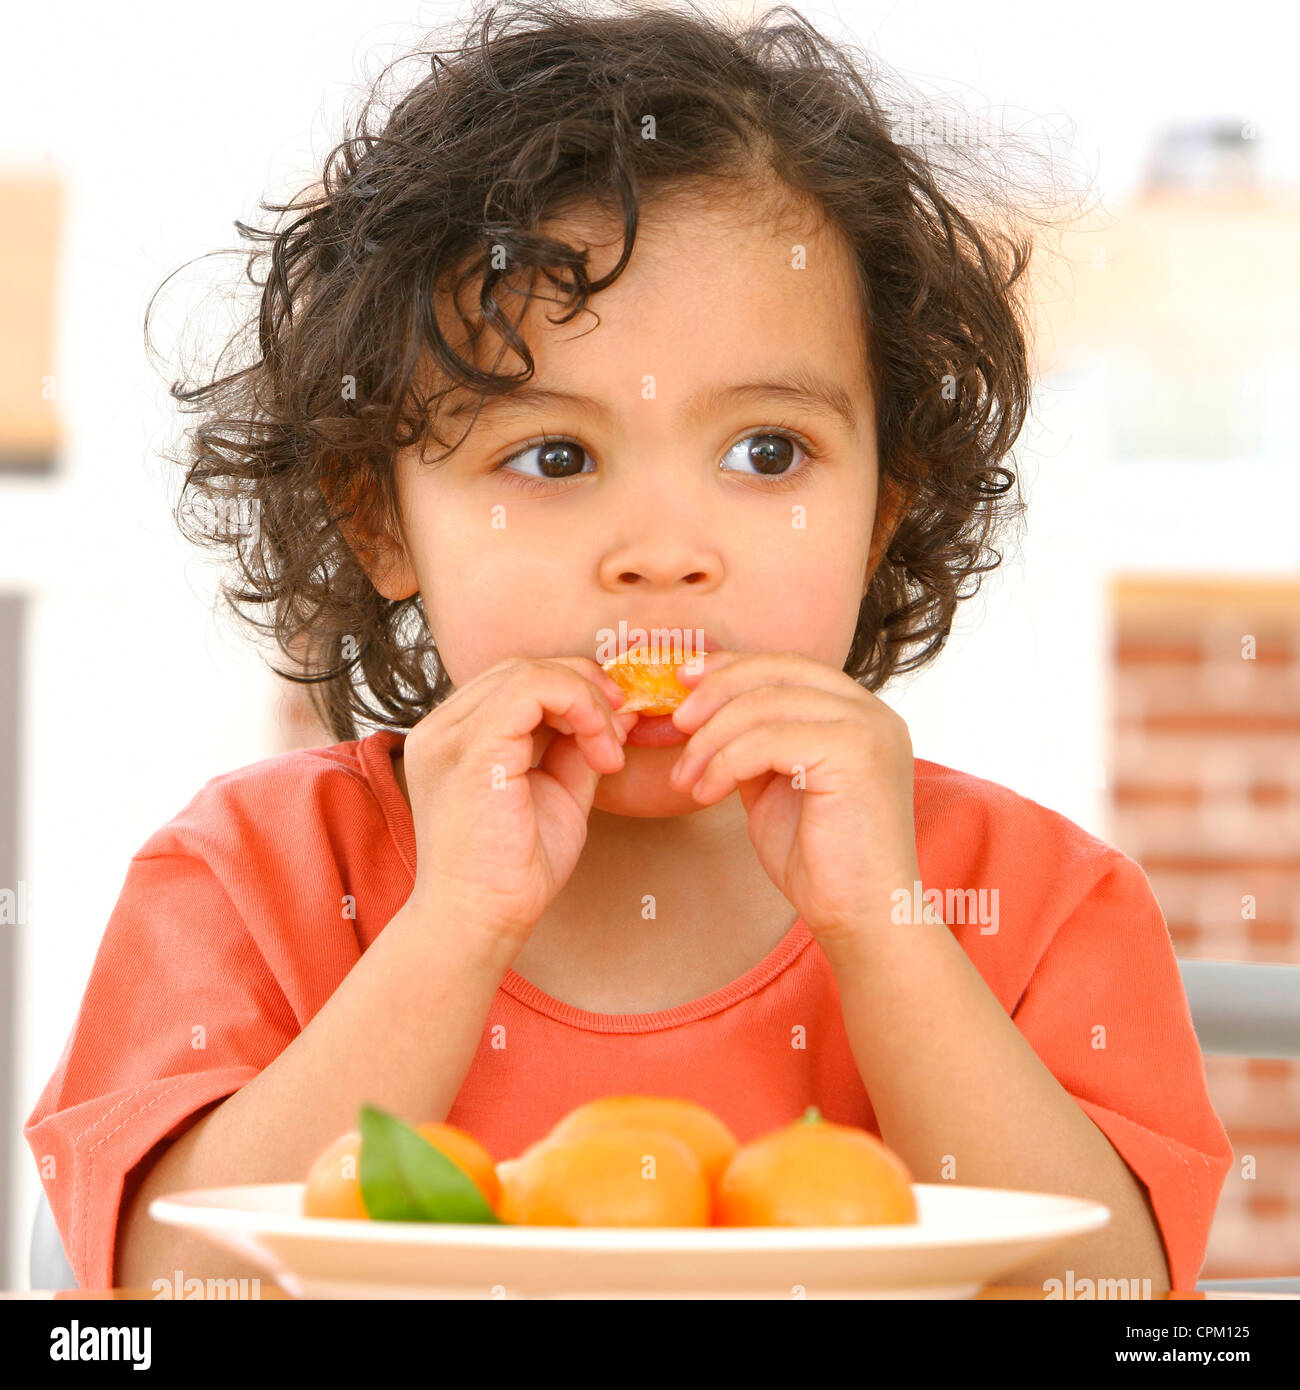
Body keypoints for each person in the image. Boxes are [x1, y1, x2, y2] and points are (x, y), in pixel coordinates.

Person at [25, 0, 1231, 1294]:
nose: (664, 548)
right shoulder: (253, 879)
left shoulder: (1040, 902)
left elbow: (1108, 1298)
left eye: (766, 452)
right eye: (554, 456)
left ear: (884, 506)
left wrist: (886, 932)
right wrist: (450, 928)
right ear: (380, 519)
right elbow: (166, 1291)